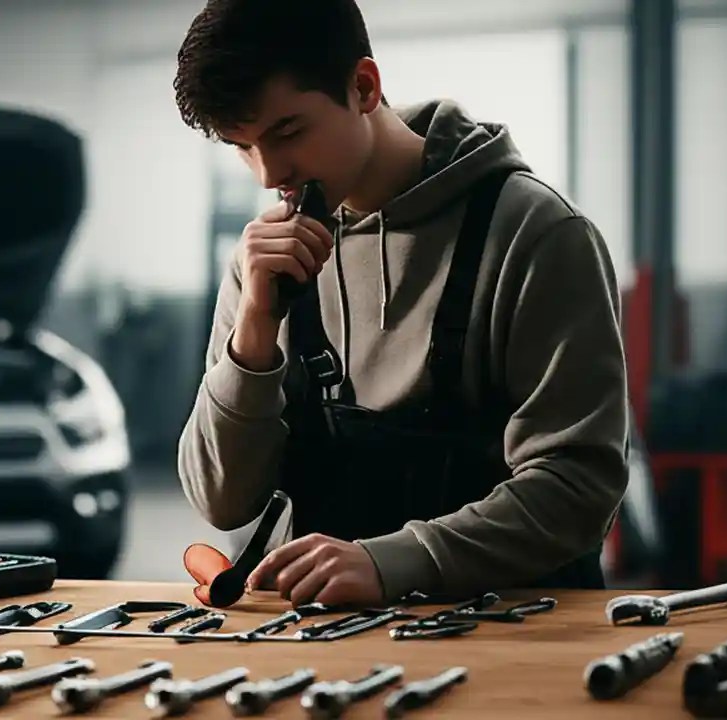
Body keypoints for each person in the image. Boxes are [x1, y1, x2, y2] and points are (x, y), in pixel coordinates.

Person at [172, 0, 630, 608]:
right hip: (324, 647)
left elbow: (578, 490)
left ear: (363, 86)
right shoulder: (264, 259)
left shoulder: (539, 236)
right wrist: (254, 336)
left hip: (518, 640)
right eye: (242, 146)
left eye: (287, 133)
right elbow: (222, 501)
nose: (268, 174)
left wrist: (392, 563)